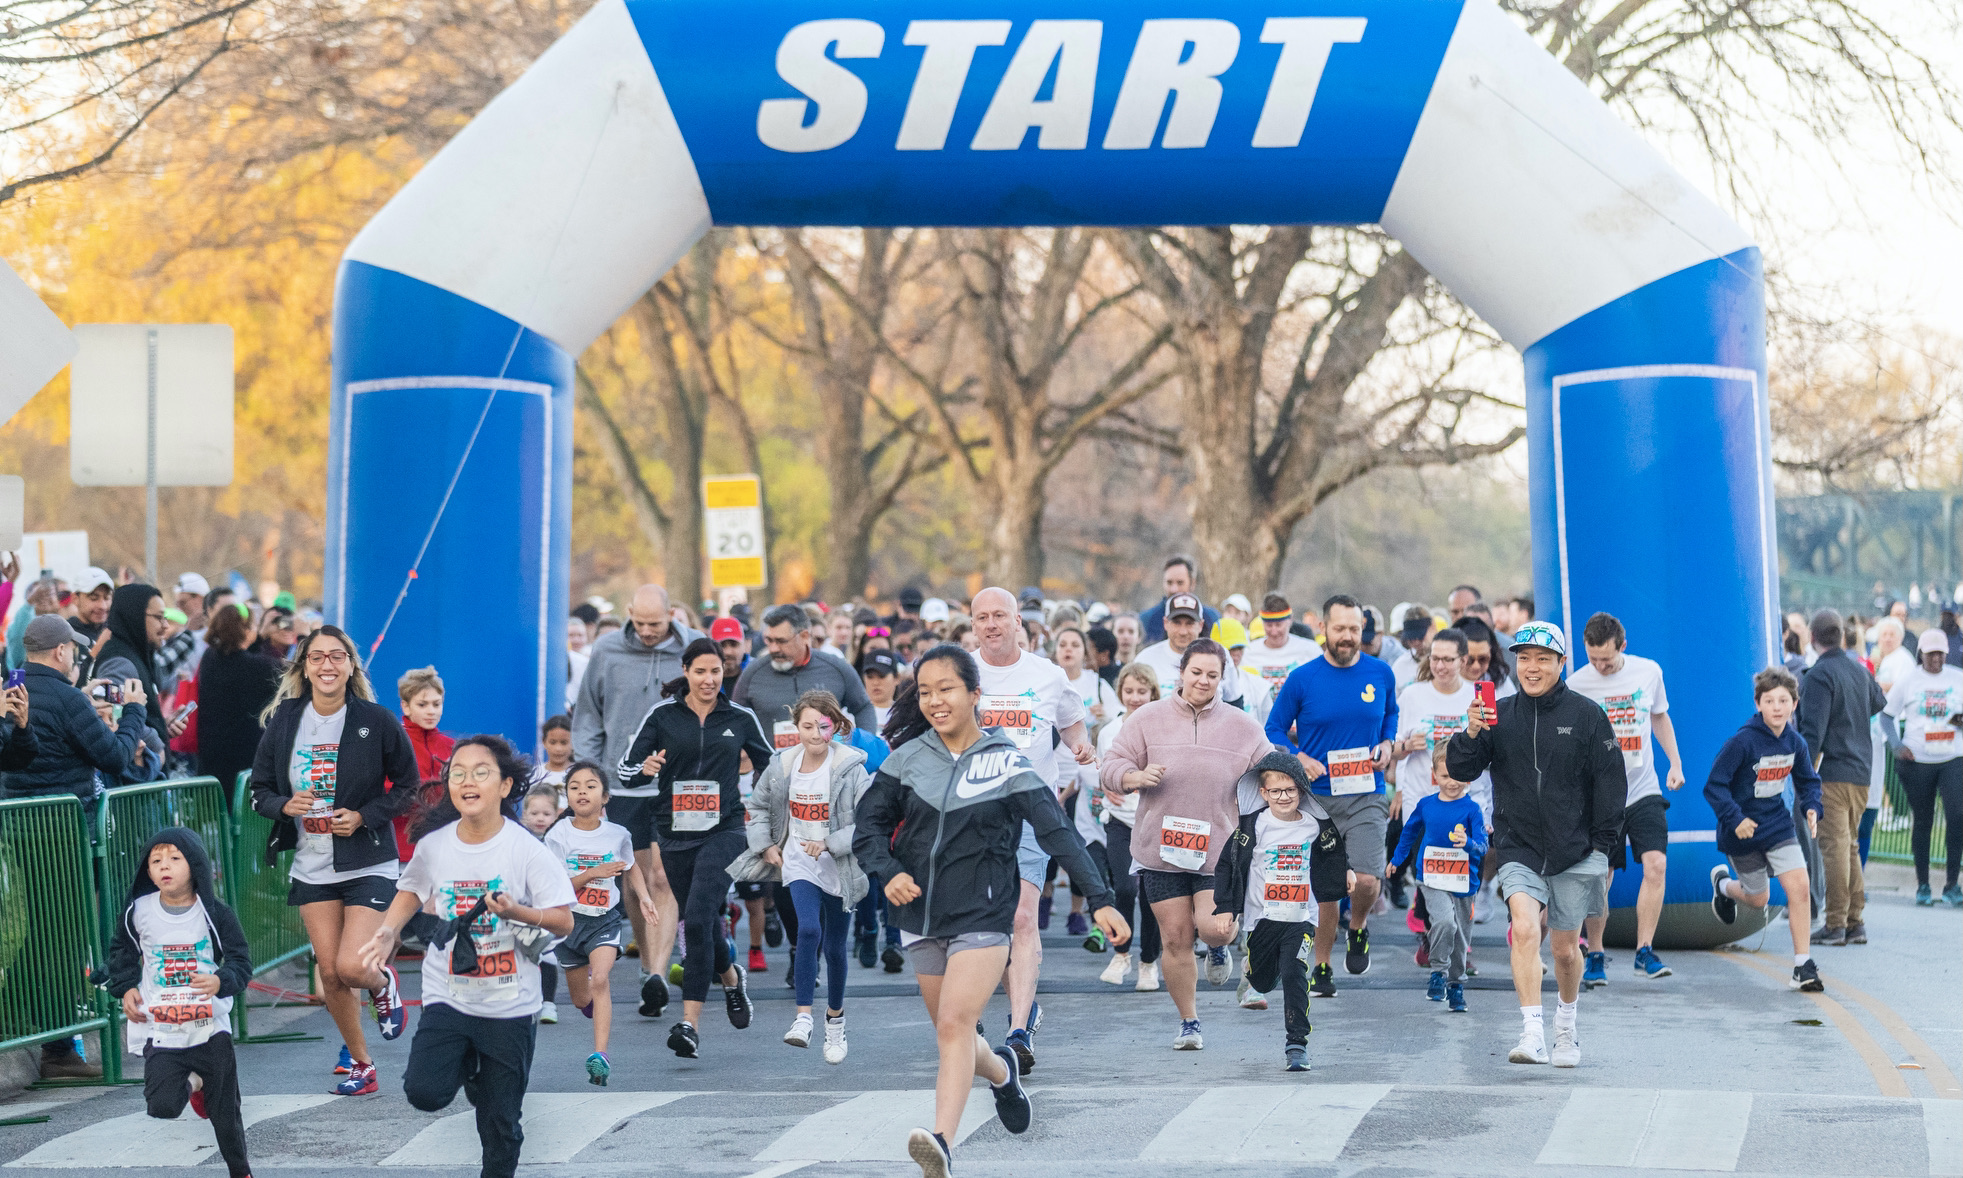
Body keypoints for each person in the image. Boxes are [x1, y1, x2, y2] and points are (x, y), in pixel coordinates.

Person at [853, 644, 1124, 1178]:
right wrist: (889, 871)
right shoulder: (907, 758)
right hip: (921, 918)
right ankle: (1002, 1074)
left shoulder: (1007, 762)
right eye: (925, 692)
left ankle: (941, 1145)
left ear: (976, 695)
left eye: (946, 689)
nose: (934, 701)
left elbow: (1056, 832)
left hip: (983, 915)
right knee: (955, 1034)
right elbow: (867, 829)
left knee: (956, 1022)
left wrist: (1101, 898)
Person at [358, 737, 575, 1178]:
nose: (467, 781)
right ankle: (471, 1065)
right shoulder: (435, 846)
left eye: (481, 772)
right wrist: (389, 929)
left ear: (504, 785)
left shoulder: (527, 850)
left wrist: (518, 911)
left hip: (510, 1003)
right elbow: (412, 889)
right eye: (458, 772)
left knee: (500, 1124)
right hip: (449, 994)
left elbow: (563, 921)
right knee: (424, 1092)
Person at [249, 624, 420, 1095]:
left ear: (350, 666)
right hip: (311, 864)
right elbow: (258, 790)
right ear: (304, 666)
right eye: (317, 657)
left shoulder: (376, 720)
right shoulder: (284, 721)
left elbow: (408, 787)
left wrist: (364, 816)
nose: (327, 665)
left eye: (337, 656)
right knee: (329, 975)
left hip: (368, 861)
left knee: (350, 967)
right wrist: (283, 806)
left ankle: (382, 984)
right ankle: (363, 1066)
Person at [1448, 621, 1625, 1069]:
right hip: (1518, 845)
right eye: (1524, 658)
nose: (1532, 667)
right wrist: (1470, 733)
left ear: (1561, 664)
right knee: (1525, 929)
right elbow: (1462, 770)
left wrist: (1604, 848)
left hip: (1576, 850)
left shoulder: (1586, 715)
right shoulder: (1498, 714)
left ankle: (1565, 1024)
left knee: (1565, 950)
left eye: (1543, 659)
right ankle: (1532, 1031)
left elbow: (1610, 784)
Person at [1101, 638, 1271, 1050]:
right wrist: (1133, 778)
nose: (1203, 681)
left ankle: (1216, 948)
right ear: (1181, 672)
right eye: (1196, 672)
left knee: (1215, 928)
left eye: (1213, 675)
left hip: (1219, 850)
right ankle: (1189, 1022)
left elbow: (1269, 771)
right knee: (1175, 938)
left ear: (1222, 678)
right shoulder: (1146, 719)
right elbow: (1111, 766)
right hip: (1161, 850)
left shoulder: (1242, 725)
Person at [616, 637, 774, 1059]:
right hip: (673, 833)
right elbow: (625, 769)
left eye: (716, 671)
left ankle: (689, 1024)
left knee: (701, 915)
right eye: (701, 671)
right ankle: (730, 978)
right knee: (699, 921)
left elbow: (771, 765)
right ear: (686, 671)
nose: (709, 679)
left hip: (725, 829)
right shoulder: (663, 716)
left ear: (725, 673)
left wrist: (762, 804)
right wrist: (645, 768)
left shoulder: (739, 717)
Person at [967, 587, 1093, 1073]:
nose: (992, 624)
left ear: (1019, 621)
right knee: (983, 924)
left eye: (1001, 615)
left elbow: (1073, 723)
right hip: (971, 814)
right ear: (973, 625)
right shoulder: (960, 672)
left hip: (1027, 814)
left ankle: (1018, 1031)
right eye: (983, 617)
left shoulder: (1048, 675)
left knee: (1021, 918)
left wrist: (1080, 748)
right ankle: (1004, 1005)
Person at [572, 584, 700, 1018]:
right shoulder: (607, 650)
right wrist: (591, 774)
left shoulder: (690, 649)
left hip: (677, 782)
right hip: (622, 781)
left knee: (664, 876)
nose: (647, 631)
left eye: (656, 624)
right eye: (640, 623)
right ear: (628, 613)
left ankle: (659, 972)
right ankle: (648, 964)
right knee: (636, 878)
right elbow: (588, 713)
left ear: (671, 615)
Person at [1264, 595, 1398, 994]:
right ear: (1324, 628)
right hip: (1317, 798)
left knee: (1369, 882)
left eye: (1354, 629)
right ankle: (1321, 964)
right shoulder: (1303, 678)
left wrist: (1388, 743)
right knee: (1328, 887)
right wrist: (1298, 756)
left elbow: (1390, 714)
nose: (1347, 636)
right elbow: (1272, 729)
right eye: (1339, 629)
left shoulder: (1381, 673)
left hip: (1366, 793)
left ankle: (1357, 926)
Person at [730, 690, 870, 1063]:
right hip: (797, 862)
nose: (814, 734)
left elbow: (868, 824)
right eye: (806, 726)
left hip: (837, 866)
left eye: (822, 726)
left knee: (837, 949)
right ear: (796, 728)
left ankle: (835, 1022)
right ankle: (803, 1018)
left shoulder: (852, 769)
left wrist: (829, 843)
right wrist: (765, 845)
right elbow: (758, 806)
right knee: (808, 930)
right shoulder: (782, 766)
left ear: (836, 727)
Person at [108, 828, 254, 1178]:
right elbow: (121, 952)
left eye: (175, 858)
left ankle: (241, 1171)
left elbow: (241, 962)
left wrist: (220, 981)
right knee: (162, 1107)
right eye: (155, 861)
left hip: (209, 1026)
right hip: (162, 1029)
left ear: (195, 865)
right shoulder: (138, 912)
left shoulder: (215, 914)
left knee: (225, 1113)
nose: (164, 866)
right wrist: (126, 987)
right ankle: (194, 1083)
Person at [1207, 752, 1347, 1071]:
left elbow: (1333, 852)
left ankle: (1296, 1044)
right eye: (1276, 791)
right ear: (1263, 793)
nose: (1283, 797)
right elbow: (1226, 865)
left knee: (1295, 971)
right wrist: (1226, 907)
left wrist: (1347, 872)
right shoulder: (1253, 826)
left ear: (1302, 791)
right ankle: (1251, 970)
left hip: (1301, 917)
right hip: (1262, 919)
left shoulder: (1314, 826)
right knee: (1264, 979)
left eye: (1290, 790)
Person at [1567, 612, 1686, 983]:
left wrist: (1675, 763)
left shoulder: (1648, 672)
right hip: (1599, 797)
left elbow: (1659, 717)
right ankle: (1597, 952)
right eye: (1593, 659)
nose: (1600, 666)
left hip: (1643, 787)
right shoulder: (1575, 683)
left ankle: (1644, 950)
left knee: (1656, 865)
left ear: (1623, 646)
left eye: (1607, 659)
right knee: (1600, 875)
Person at [1708, 668, 1824, 991]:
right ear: (1758, 704)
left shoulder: (1795, 742)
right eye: (1769, 700)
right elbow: (1714, 786)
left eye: (1783, 700)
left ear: (1794, 704)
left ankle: (1803, 965)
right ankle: (1724, 887)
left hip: (1777, 824)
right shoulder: (1742, 742)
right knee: (1759, 898)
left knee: (1800, 887)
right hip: (1741, 829)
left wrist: (1812, 806)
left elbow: (1808, 781)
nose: (1776, 707)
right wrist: (1735, 819)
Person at [546, 761, 659, 1085]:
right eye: (575, 787)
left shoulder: (618, 834)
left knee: (601, 980)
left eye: (590, 786)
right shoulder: (558, 835)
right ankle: (595, 1012)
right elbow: (555, 888)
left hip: (603, 921)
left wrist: (644, 897)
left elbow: (631, 866)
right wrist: (592, 873)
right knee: (583, 999)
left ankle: (600, 1055)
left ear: (606, 797)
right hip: (568, 922)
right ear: (566, 796)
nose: (582, 791)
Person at [1799, 609, 1887, 946]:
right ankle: (1854, 922)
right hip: (1861, 770)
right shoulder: (1858, 670)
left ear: (1812, 636)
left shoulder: (1820, 675)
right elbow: (1879, 702)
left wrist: (1802, 776)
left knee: (1834, 848)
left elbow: (1812, 733)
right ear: (1842, 637)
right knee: (1848, 845)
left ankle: (1835, 924)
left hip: (1833, 773)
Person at [1392, 744, 1487, 1013]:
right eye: (1444, 776)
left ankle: (1456, 986)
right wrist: (1396, 862)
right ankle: (1437, 973)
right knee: (1445, 923)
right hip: (1432, 879)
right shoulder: (1426, 805)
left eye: (1457, 776)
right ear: (1434, 776)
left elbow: (1482, 846)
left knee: (1460, 939)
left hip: (1464, 883)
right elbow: (1408, 834)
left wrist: (1467, 843)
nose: (1451, 782)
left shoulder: (1472, 809)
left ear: (1468, 776)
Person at [1881, 627, 1963, 906]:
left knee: (1957, 818)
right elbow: (1886, 716)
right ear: (1922, 655)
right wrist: (1896, 745)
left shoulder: (1958, 678)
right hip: (1918, 760)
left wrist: (1953, 722)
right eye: (1931, 655)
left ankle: (1952, 884)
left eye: (1940, 654)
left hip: (1952, 757)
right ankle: (1923, 885)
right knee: (1923, 821)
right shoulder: (1909, 680)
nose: (1936, 660)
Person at [193, 604, 282, 805]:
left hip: (212, 757)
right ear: (244, 629)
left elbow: (237, 655)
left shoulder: (209, 659)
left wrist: (257, 639)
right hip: (246, 759)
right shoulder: (257, 668)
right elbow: (277, 671)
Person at [93, 583, 177, 743]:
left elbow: (136, 714)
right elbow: (112, 715)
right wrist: (156, 743)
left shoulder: (137, 656)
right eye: (159, 618)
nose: (165, 625)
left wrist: (161, 727)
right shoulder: (119, 662)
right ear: (135, 616)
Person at [1136, 593, 1245, 708]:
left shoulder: (1219, 655)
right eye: (1177, 623)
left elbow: (1235, 703)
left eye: (1189, 624)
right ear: (1165, 623)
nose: (1183, 631)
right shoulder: (1145, 659)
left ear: (1201, 625)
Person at [397, 666, 456, 861]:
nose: (431, 711)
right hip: (401, 849)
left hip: (443, 848)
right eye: (422, 705)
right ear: (405, 706)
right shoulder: (393, 741)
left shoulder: (451, 747)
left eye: (436, 704)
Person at [1240, 593, 1322, 697]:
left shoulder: (1310, 650)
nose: (1274, 631)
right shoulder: (1248, 653)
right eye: (1269, 625)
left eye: (1279, 625)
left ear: (1290, 620)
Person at [1138, 556, 1221, 645]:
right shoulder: (1147, 618)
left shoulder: (1211, 617)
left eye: (1180, 583)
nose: (1174, 589)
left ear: (1192, 583)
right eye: (1169, 582)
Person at [155, 573, 212, 688]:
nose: (179, 608)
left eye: (183, 603)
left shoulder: (213, 634)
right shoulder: (176, 634)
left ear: (200, 599)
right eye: (177, 604)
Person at [532, 714, 574, 797]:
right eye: (553, 742)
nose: (558, 749)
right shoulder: (535, 775)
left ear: (573, 743)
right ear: (544, 742)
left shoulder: (580, 774)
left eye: (564, 743)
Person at [711, 616, 748, 692]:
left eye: (734, 645)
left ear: (744, 646)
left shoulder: (757, 675)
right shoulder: (701, 680)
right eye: (722, 645)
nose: (728, 652)